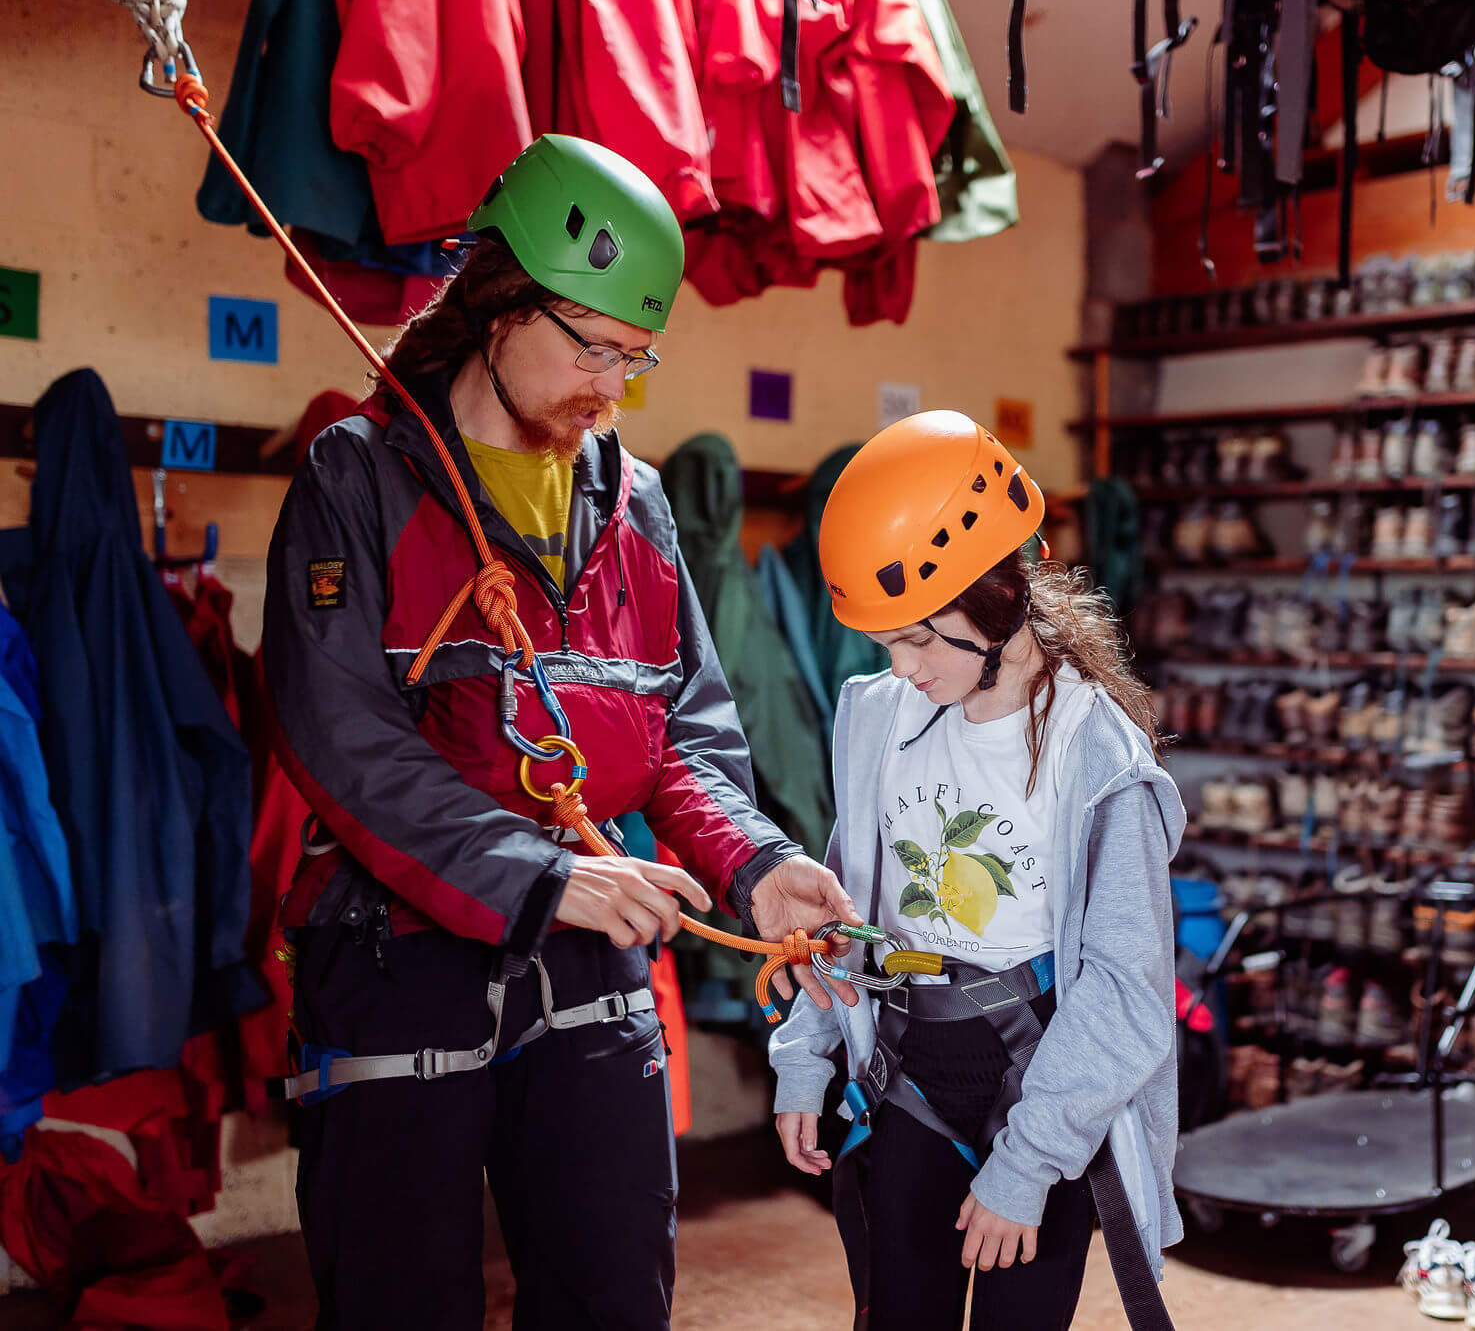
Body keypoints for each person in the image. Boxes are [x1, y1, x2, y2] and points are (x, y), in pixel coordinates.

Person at [262, 134, 858, 1330]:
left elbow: (683, 727)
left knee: (612, 1297)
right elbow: (342, 737)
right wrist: (538, 876)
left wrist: (754, 863)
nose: (612, 387)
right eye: (593, 347)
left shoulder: (635, 501)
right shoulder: (359, 475)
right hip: (396, 955)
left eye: (634, 358)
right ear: (500, 303)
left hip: (593, 954)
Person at [768, 411, 1187, 1330]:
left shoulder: (1094, 750)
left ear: (997, 597)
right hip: (909, 1072)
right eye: (886, 642)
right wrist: (806, 1054)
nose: (901, 667)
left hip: (1045, 1082)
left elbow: (1126, 988)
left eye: (919, 637)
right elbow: (844, 911)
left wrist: (1028, 1163)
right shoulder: (877, 717)